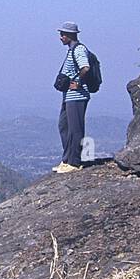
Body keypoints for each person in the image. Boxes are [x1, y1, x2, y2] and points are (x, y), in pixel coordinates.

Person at [54, 21, 90, 173]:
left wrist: (78, 83)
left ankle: (74, 162)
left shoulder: (79, 50)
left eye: (63, 34)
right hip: (69, 96)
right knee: (64, 126)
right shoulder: (71, 50)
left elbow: (85, 67)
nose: (61, 37)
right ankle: (67, 159)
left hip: (77, 95)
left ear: (70, 35)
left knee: (75, 129)